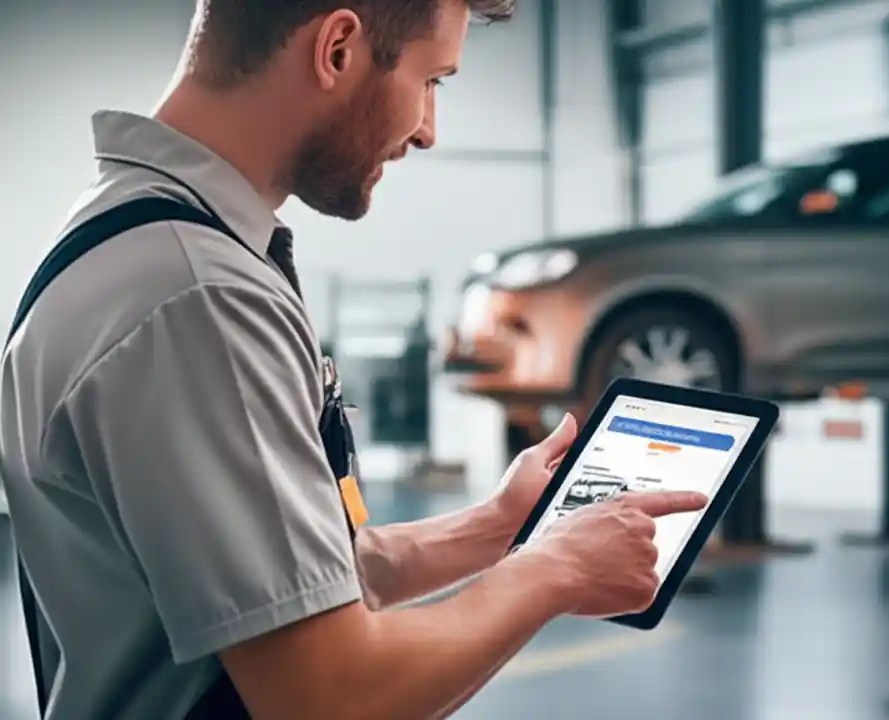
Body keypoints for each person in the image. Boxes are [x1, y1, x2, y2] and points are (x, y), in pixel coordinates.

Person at [0, 1, 708, 718]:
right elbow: (330, 696)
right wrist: (554, 570)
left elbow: (286, 588)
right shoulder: (199, 298)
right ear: (337, 48)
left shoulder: (125, 230)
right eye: (431, 80)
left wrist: (497, 527)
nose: (428, 130)